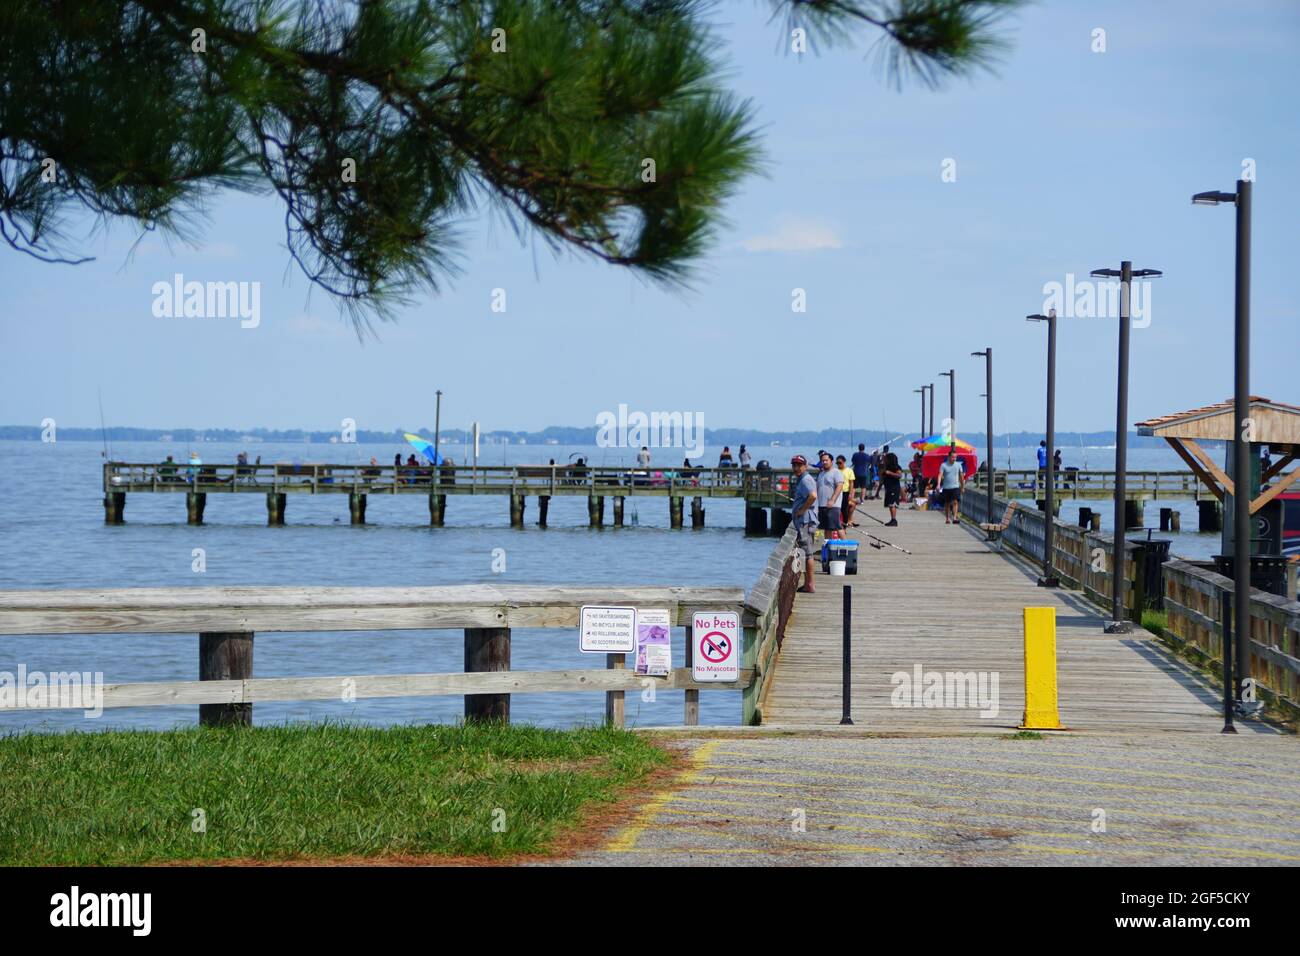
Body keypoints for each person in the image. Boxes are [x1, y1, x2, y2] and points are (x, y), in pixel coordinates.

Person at [789, 455, 819, 593]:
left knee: (807, 554)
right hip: (804, 521)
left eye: (799, 465)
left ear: (805, 466)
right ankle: (808, 583)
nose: (796, 468)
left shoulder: (806, 480)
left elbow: (813, 496)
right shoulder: (802, 479)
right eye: (794, 465)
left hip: (806, 522)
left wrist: (802, 510)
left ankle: (810, 585)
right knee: (806, 552)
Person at [816, 451, 846, 540]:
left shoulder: (836, 472)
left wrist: (833, 500)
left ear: (831, 461)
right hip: (822, 505)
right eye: (822, 461)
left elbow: (840, 486)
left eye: (826, 460)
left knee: (837, 526)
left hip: (833, 505)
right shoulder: (821, 474)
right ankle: (828, 547)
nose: (824, 462)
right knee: (826, 528)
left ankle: (846, 545)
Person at [938, 449, 965, 524]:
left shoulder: (958, 465)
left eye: (955, 457)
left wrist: (962, 486)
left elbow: (961, 476)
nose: (954, 459)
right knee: (947, 503)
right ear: (949, 457)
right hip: (946, 487)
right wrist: (938, 484)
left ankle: (955, 517)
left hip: (955, 486)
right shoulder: (943, 465)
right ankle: (947, 518)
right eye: (953, 457)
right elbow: (940, 475)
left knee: (955, 502)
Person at [881, 451, 904, 526]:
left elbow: (899, 475)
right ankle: (892, 519)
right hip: (889, 486)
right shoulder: (887, 467)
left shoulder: (896, 467)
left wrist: (890, 473)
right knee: (890, 504)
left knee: (892, 503)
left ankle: (894, 520)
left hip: (894, 487)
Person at [836, 454, 858, 528]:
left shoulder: (849, 470)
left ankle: (845, 524)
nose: (839, 465)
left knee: (844, 508)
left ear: (844, 462)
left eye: (840, 463)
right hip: (837, 492)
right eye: (837, 463)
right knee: (838, 509)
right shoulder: (836, 471)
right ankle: (840, 523)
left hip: (845, 492)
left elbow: (851, 483)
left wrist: (851, 493)